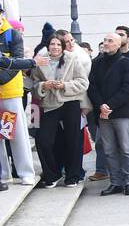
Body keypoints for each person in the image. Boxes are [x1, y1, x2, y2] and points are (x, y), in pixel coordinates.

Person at [0, 0, 36, 185]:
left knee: (18, 134)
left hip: (10, 91)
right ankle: (2, 173)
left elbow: (15, 63)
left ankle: (25, 172)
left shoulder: (12, 34)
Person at [29, 30, 89, 187]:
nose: (55, 47)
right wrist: (43, 85)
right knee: (43, 140)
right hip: (49, 104)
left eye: (58, 44)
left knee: (73, 140)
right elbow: (34, 86)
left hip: (70, 102)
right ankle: (52, 174)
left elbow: (83, 82)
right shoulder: (40, 62)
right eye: (52, 44)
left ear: (63, 47)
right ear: (48, 46)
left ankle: (73, 175)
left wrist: (65, 85)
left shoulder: (73, 59)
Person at [87, 30, 129, 197]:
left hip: (121, 112)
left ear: (118, 44)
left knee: (126, 148)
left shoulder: (127, 63)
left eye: (110, 41)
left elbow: (128, 89)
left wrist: (109, 105)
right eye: (104, 40)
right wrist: (101, 105)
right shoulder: (97, 63)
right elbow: (92, 87)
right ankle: (116, 182)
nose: (106, 43)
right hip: (103, 114)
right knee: (109, 150)